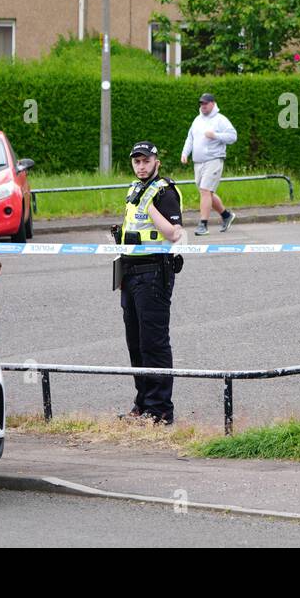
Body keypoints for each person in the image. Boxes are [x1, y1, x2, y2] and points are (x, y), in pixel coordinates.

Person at [113, 141, 184, 425]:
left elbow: (174, 233)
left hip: (154, 272)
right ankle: (142, 404)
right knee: (136, 342)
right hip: (130, 271)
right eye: (136, 162)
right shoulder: (133, 189)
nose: (141, 166)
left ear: (157, 162)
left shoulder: (164, 191)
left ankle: (160, 409)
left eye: (146, 161)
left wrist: (149, 206)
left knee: (154, 343)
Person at [181, 92, 238, 236]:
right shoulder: (197, 120)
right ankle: (226, 215)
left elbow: (233, 136)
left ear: (213, 103)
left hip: (214, 159)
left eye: (206, 103)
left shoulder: (221, 120)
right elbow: (190, 138)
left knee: (205, 191)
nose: (203, 106)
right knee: (206, 192)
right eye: (201, 103)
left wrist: (216, 135)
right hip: (198, 162)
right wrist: (184, 153)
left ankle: (203, 225)